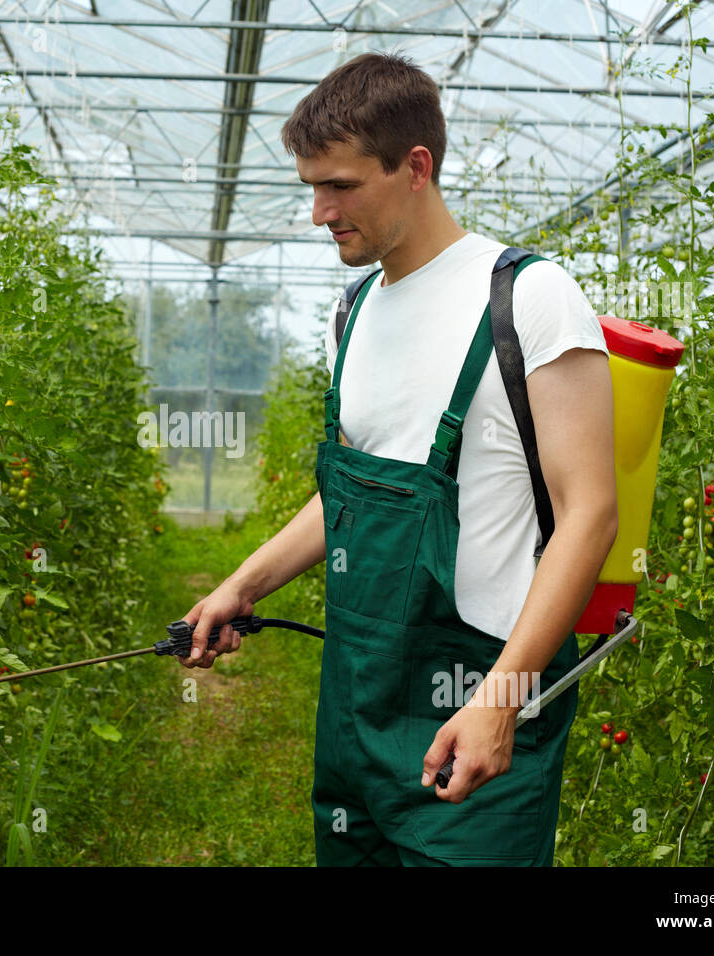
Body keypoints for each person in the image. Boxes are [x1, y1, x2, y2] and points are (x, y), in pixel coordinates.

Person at [175, 51, 618, 866]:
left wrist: (500, 701)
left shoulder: (527, 299)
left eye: (339, 186)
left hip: (481, 697)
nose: (318, 212)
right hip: (358, 701)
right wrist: (243, 584)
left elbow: (589, 513)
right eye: (310, 186)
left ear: (416, 167)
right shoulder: (355, 313)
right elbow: (353, 494)